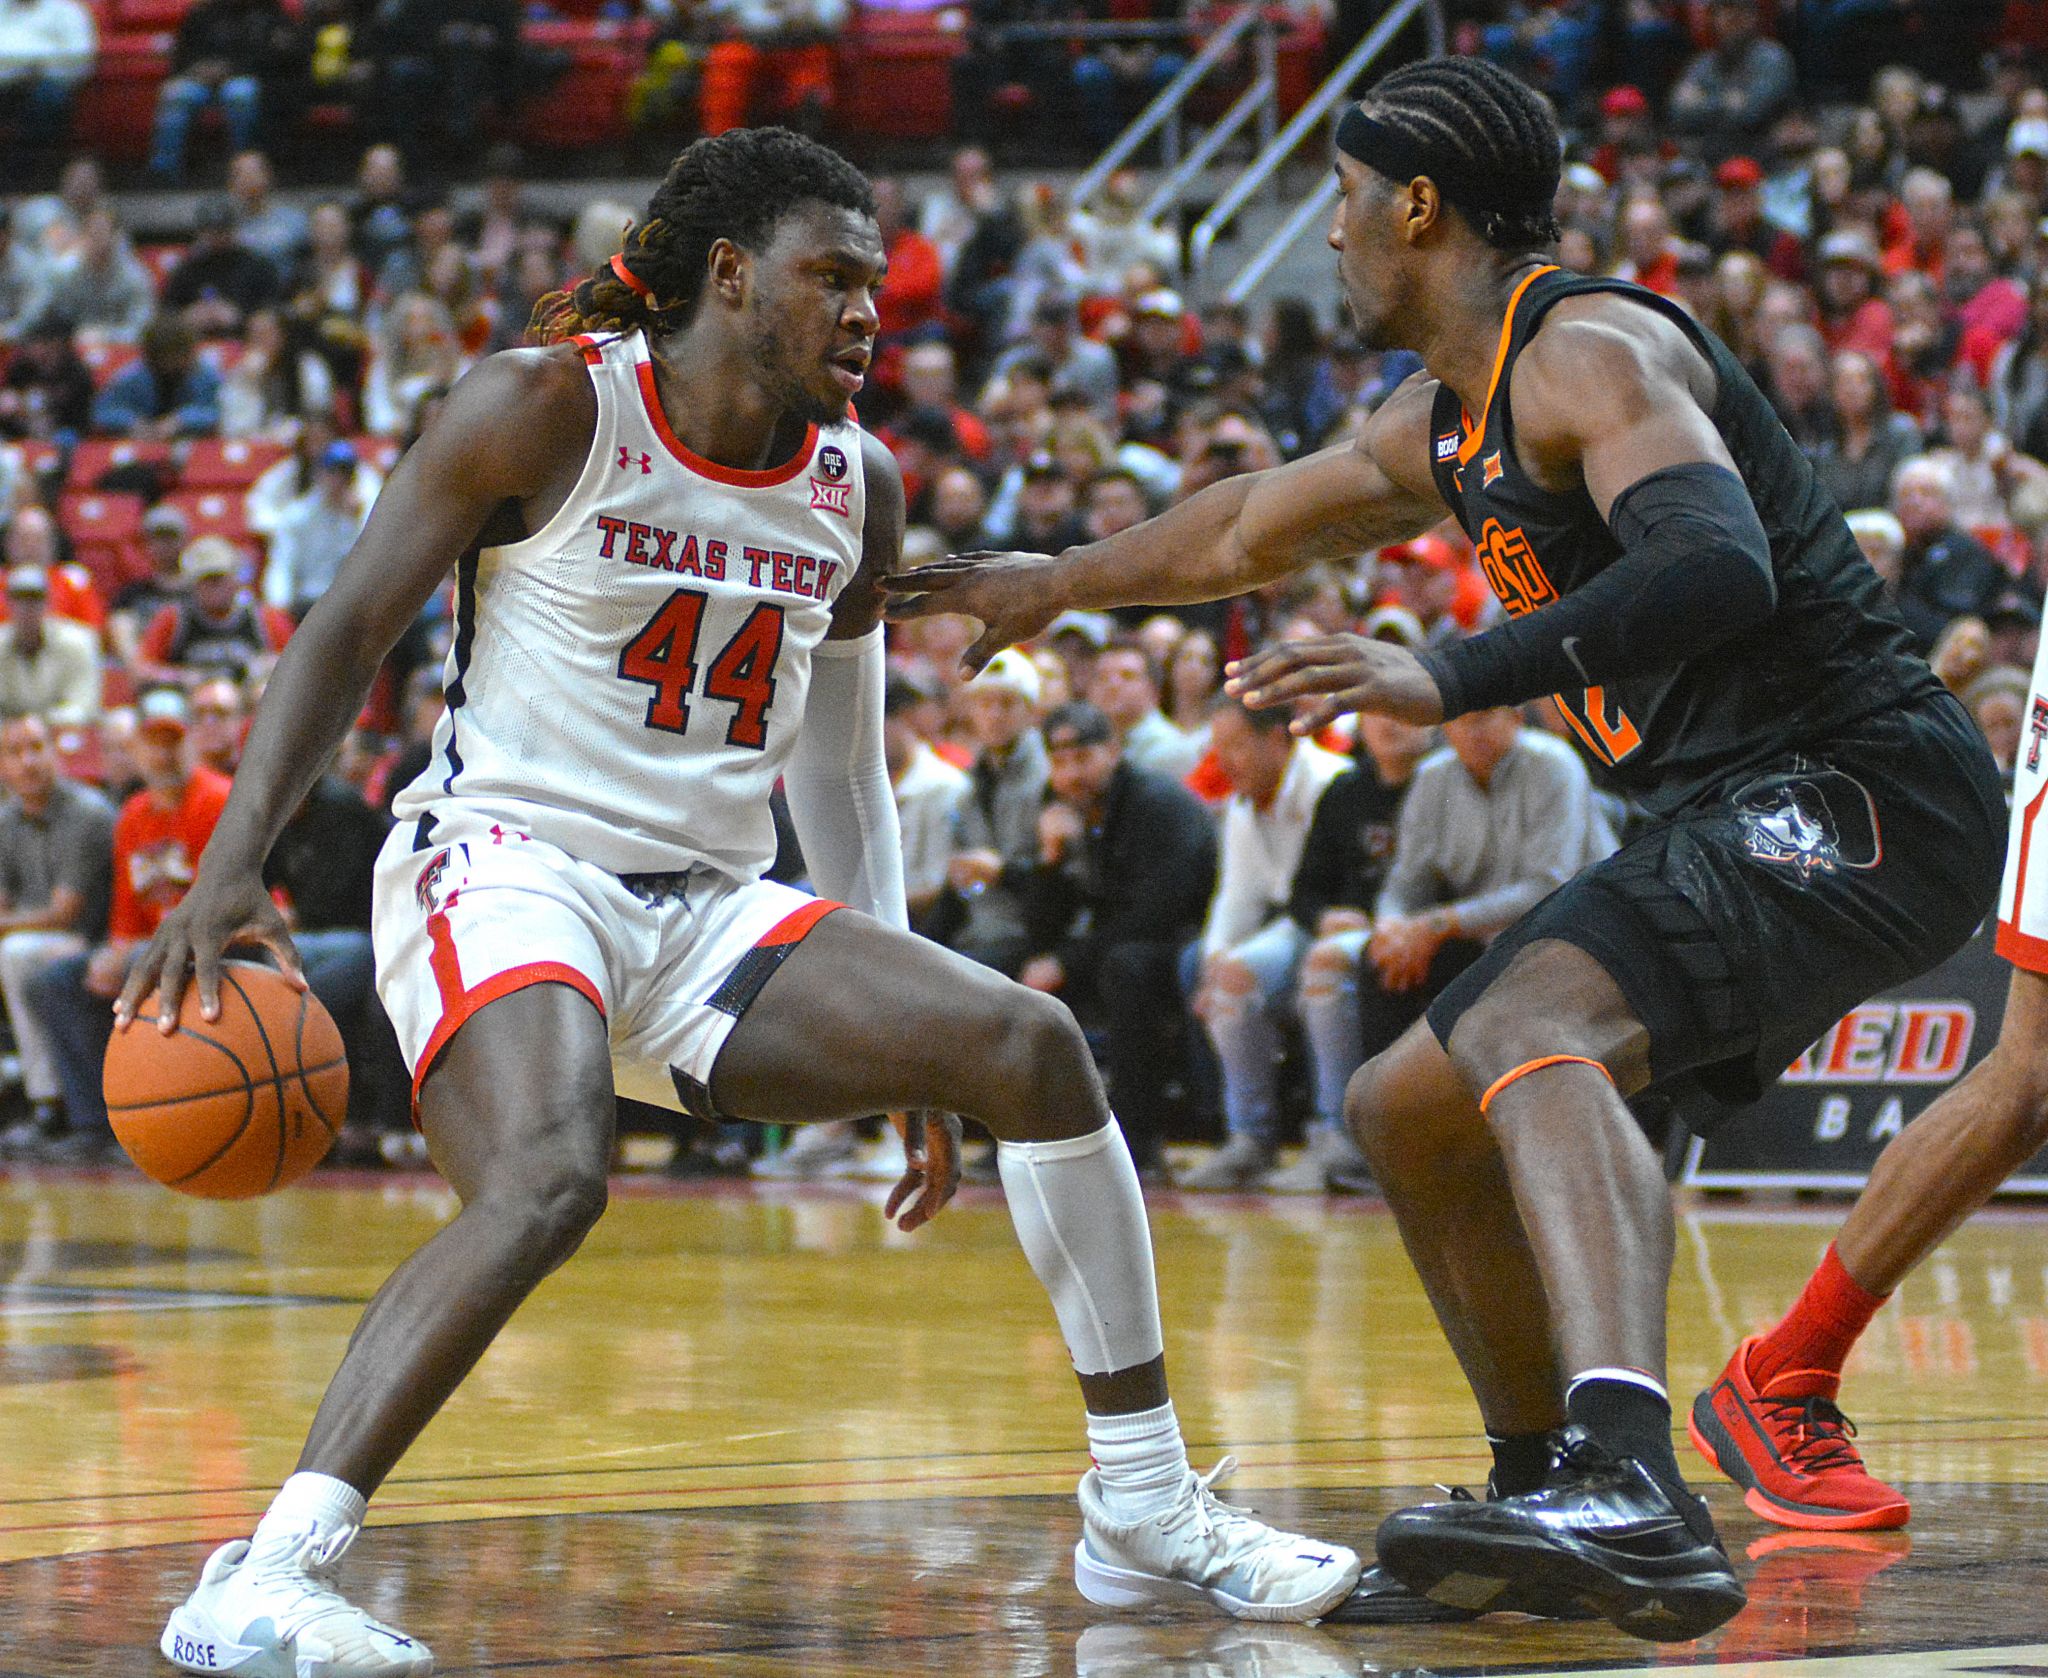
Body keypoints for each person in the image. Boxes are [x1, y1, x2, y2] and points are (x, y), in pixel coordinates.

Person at [122, 129, 1362, 1678]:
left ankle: (1146, 1500)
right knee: (551, 1177)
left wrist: (908, 1030)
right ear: (727, 274)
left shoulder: (859, 482)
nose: (867, 312)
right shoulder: (549, 404)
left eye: (876, 285)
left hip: (709, 905)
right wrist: (229, 859)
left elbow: (838, 767)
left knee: (1029, 1046)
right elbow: (349, 623)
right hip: (505, 863)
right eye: (832, 277)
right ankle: (263, 1571)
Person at [888, 59, 2004, 1641]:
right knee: (1402, 1104)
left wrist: (1451, 670)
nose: (1330, 236)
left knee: (1537, 1023)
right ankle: (1540, 1484)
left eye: (1343, 203)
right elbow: (1246, 526)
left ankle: (1631, 1479)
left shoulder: (1589, 352)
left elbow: (1717, 565)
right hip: (1735, 805)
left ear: (1417, 207)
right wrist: (1060, 579)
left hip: (1863, 785)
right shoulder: (1444, 417)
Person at [27, 687, 228, 1163]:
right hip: (150, 946)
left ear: (191, 744)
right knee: (54, 981)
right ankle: (94, 1124)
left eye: (173, 742)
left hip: (214, 945)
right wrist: (111, 952)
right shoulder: (133, 815)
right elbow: (126, 916)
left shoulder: (219, 801)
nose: (163, 754)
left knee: (140, 961)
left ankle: (171, 1120)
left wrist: (130, 953)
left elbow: (217, 906)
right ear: (135, 749)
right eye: (153, 743)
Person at [1020, 701, 1216, 1182]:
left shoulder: (1155, 803)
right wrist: (1050, 858)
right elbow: (1042, 928)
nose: (1072, 774)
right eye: (1060, 761)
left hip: (1184, 942)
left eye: (1082, 758)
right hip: (1112, 944)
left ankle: (1138, 1143)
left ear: (1112, 750)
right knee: (1012, 969)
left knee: (1127, 970)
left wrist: (1067, 962)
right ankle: (1026, 1133)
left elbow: (1157, 914)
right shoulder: (1060, 805)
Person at [1180, 698, 1348, 1192]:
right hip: (1292, 924)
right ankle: (1248, 1139)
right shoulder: (1242, 802)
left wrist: (1228, 962)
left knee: (1251, 971)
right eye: (1217, 749)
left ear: (1277, 739)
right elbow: (1235, 897)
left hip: (1334, 922)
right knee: (1211, 968)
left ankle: (1332, 1140)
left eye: (1234, 747)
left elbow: (1315, 897)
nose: (1223, 763)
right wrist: (1214, 961)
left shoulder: (1331, 783)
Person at [1267, 708, 1432, 1195]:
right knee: (1235, 972)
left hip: (1415, 927)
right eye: (1376, 710)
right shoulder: (1344, 790)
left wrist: (1383, 922)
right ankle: (1249, 1138)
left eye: (1401, 709)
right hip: (1344, 929)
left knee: (1328, 963)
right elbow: (1303, 891)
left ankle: (1339, 1134)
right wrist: (1324, 917)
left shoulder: (1444, 781)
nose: (1390, 722)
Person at [0, 713, 113, 1155]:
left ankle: (47, 1100)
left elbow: (65, 913)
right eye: (14, 752)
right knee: (16, 950)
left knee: (16, 954)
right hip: (38, 937)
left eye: (36, 747)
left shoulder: (87, 812)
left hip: (93, 938)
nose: (27, 761)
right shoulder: (6, 821)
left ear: (56, 752)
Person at [0, 564, 99, 726]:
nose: (27, 608)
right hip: (7, 733)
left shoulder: (78, 642)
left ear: (48, 603)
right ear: (8, 603)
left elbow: (82, 706)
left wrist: (37, 724)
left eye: (35, 600)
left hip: (62, 731)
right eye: (20, 600)